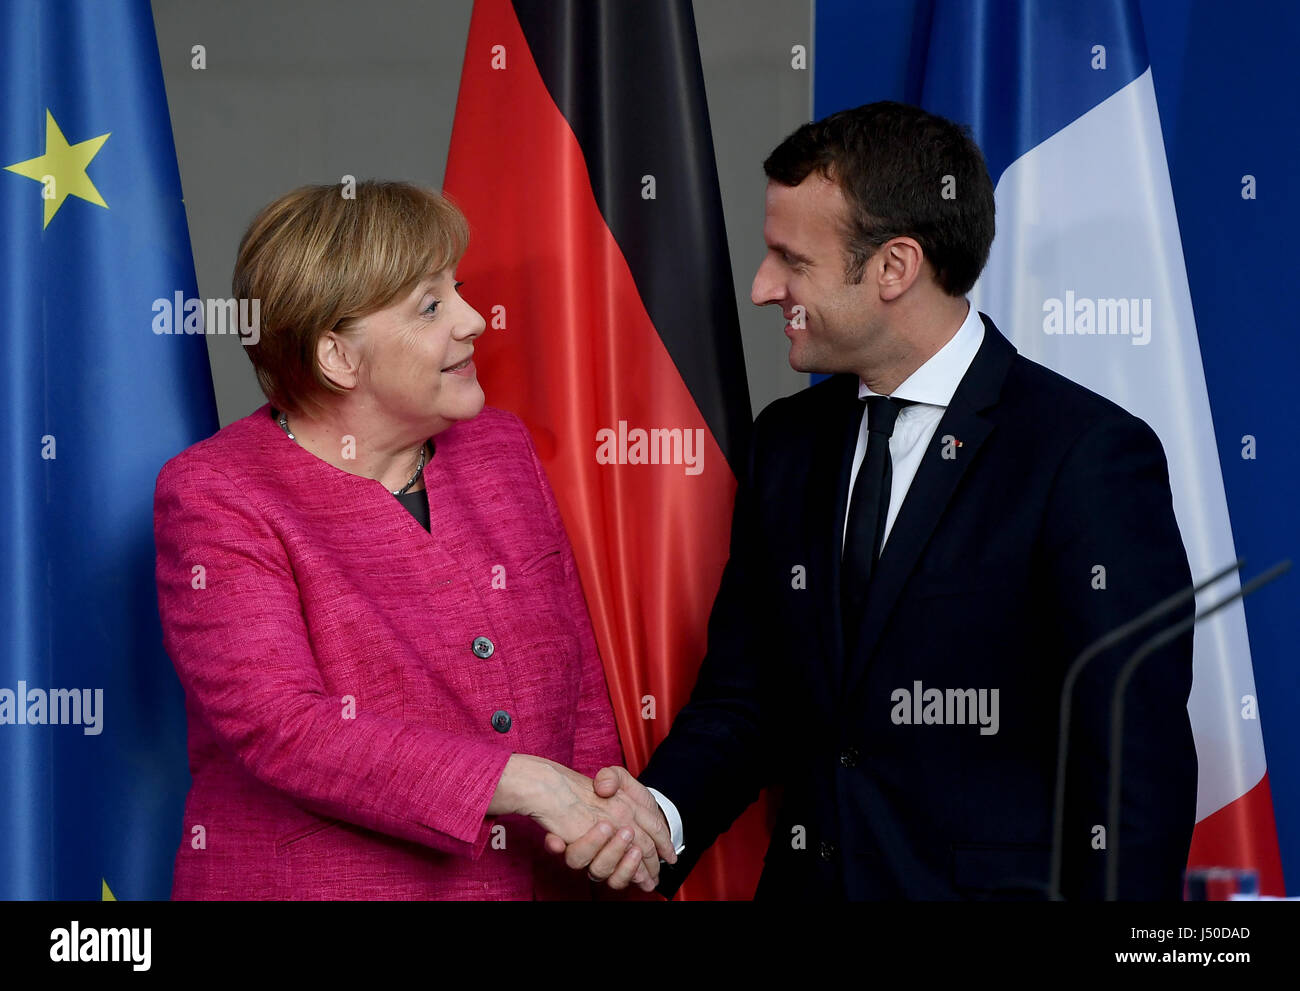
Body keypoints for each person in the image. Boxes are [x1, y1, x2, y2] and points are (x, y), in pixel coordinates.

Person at [547, 101, 1198, 899]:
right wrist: (655, 813)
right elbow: (747, 697)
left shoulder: (1086, 455)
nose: (761, 287)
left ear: (894, 267)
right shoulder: (786, 441)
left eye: (792, 260)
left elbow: (1136, 768)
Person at [154, 180, 674, 899]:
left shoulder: (500, 447)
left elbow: (577, 678)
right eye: (431, 306)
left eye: (455, 290)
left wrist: (602, 829)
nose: (472, 320)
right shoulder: (217, 493)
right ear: (338, 356)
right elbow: (284, 726)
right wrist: (522, 782)